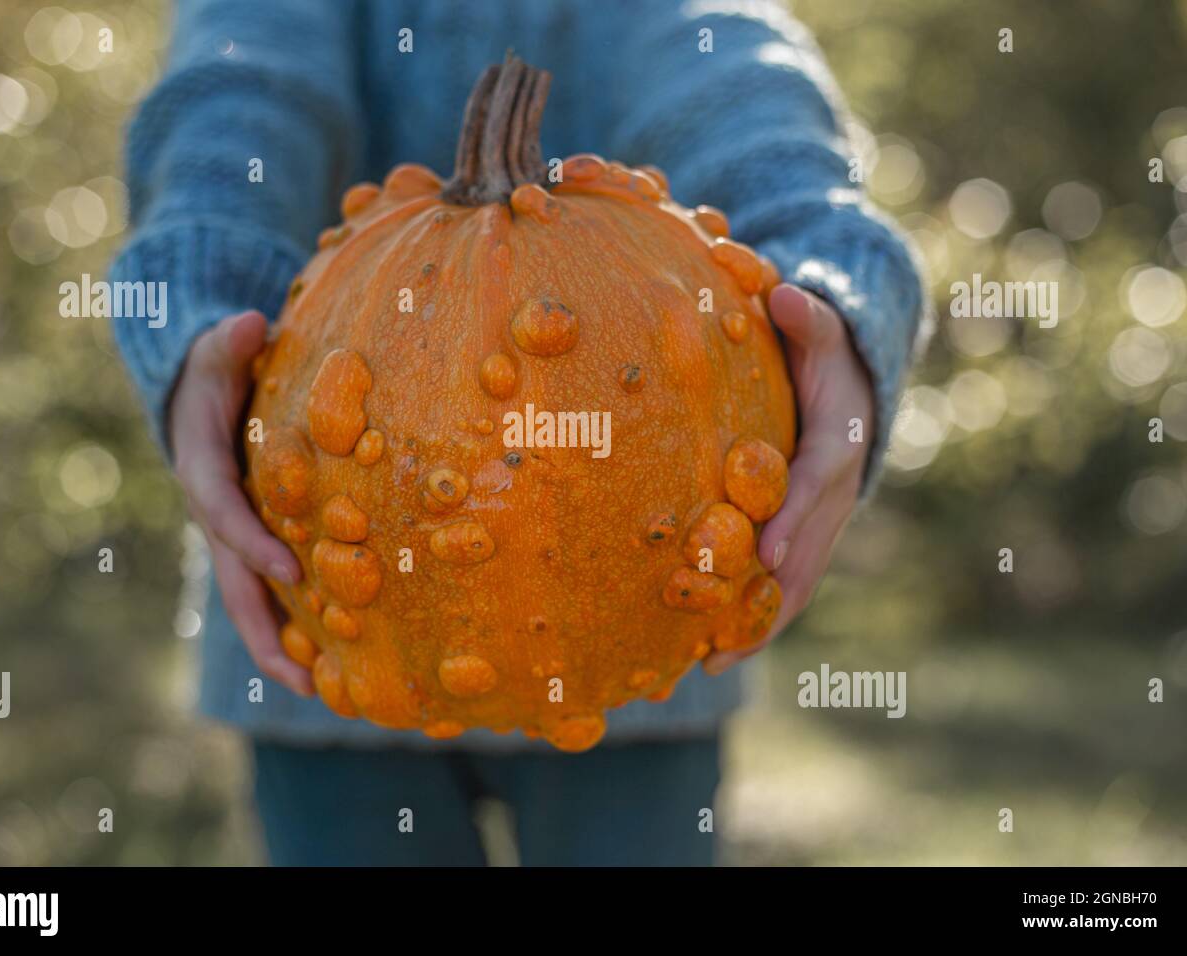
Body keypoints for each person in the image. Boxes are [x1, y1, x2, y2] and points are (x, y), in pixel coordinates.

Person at [110, 0, 926, 866]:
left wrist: (814, 257)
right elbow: (247, 83)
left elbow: (719, 62)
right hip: (318, 642)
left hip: (641, 647)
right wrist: (208, 285)